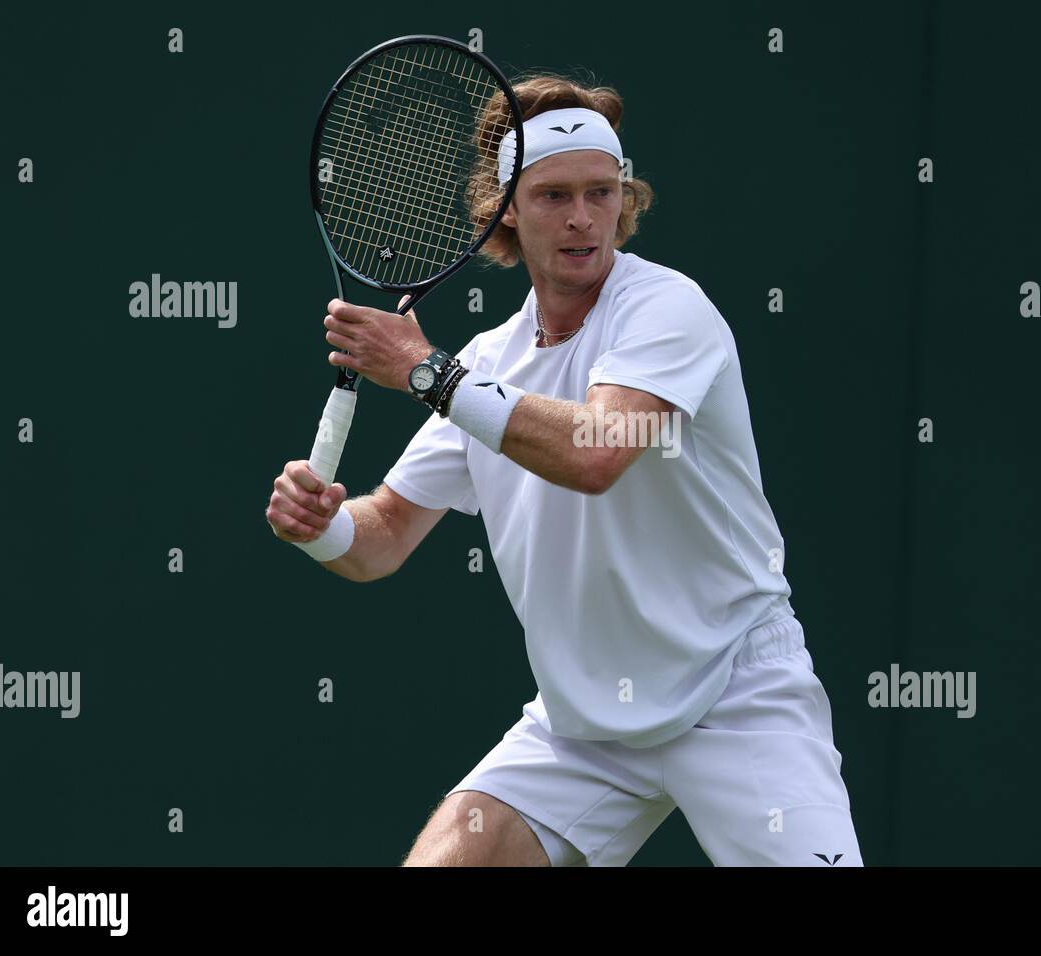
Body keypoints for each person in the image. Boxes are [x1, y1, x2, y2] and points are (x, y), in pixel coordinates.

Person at [265, 75, 863, 867]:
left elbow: (594, 451)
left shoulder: (667, 309)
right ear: (506, 207)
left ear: (624, 198)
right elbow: (382, 539)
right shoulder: (487, 364)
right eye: (552, 196)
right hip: (585, 725)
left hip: (735, 693)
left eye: (601, 192)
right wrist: (321, 526)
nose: (583, 218)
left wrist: (424, 372)